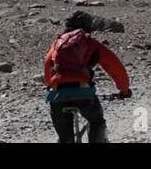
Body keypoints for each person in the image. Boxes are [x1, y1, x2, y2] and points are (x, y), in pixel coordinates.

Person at [43, 11, 131, 143]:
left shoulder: (57, 44)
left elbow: (47, 66)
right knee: (97, 121)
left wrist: (51, 85)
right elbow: (114, 66)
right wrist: (124, 90)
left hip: (58, 95)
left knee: (65, 138)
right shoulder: (90, 43)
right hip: (83, 93)